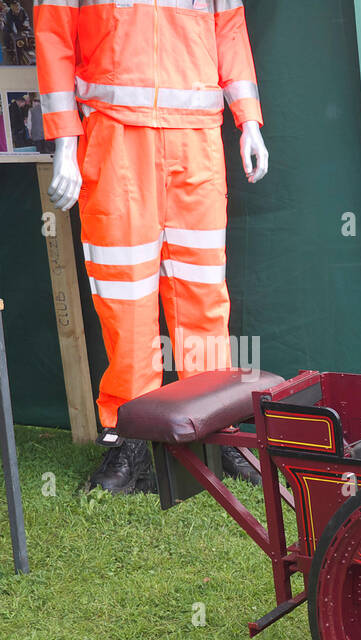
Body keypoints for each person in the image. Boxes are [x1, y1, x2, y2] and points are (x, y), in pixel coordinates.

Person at [36, 0, 269, 494]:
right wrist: (65, 142)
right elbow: (53, 36)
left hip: (197, 141)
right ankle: (132, 436)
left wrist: (248, 119)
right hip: (115, 135)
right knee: (124, 298)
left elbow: (229, 27)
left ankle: (217, 431)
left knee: (204, 292)